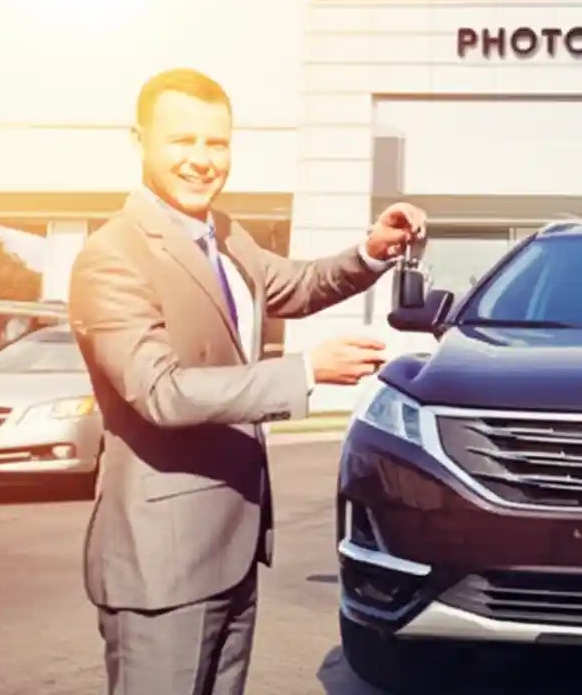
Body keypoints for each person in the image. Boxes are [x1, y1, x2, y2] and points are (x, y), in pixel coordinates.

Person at [68, 68, 428, 695]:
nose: (202, 161)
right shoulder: (113, 254)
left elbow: (297, 284)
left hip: (231, 555)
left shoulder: (226, 235)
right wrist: (304, 373)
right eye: (182, 141)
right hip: (161, 568)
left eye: (217, 144)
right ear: (140, 141)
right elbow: (163, 392)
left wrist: (372, 250)